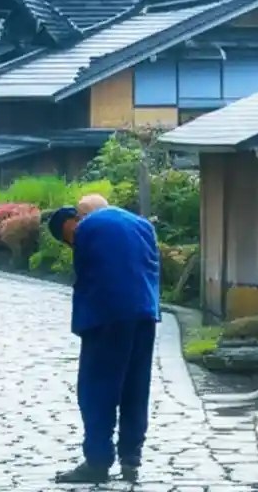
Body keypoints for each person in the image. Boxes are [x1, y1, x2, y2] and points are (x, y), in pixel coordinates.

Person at [46, 199, 160, 484]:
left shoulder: (86, 226)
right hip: (145, 312)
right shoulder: (141, 224)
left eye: (66, 237)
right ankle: (131, 458)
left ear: (74, 219)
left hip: (107, 315)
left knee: (96, 390)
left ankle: (97, 461)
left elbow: (86, 278)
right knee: (136, 387)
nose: (71, 242)